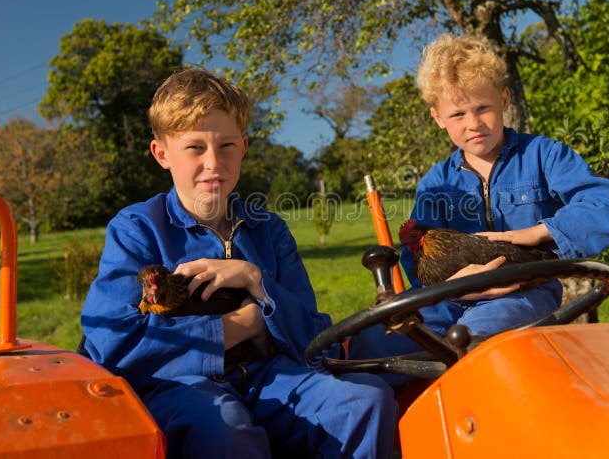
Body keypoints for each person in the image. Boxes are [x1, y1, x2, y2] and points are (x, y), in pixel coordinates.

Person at [80, 69, 397, 458]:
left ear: (244, 147)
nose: (214, 163)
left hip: (269, 377)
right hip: (179, 387)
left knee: (365, 402)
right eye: (195, 147)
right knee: (225, 427)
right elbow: (115, 346)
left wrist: (255, 279)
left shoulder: (268, 229)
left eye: (227, 145)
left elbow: (312, 337)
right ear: (162, 154)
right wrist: (247, 323)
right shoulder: (138, 229)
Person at [348, 33, 609, 372]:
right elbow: (415, 255)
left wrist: (540, 232)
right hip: (450, 299)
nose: (473, 123)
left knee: (472, 338)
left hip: (525, 291)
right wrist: (451, 286)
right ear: (437, 117)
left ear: (504, 99)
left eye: (483, 108)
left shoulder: (544, 156)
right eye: (457, 114)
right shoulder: (437, 182)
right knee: (370, 344)